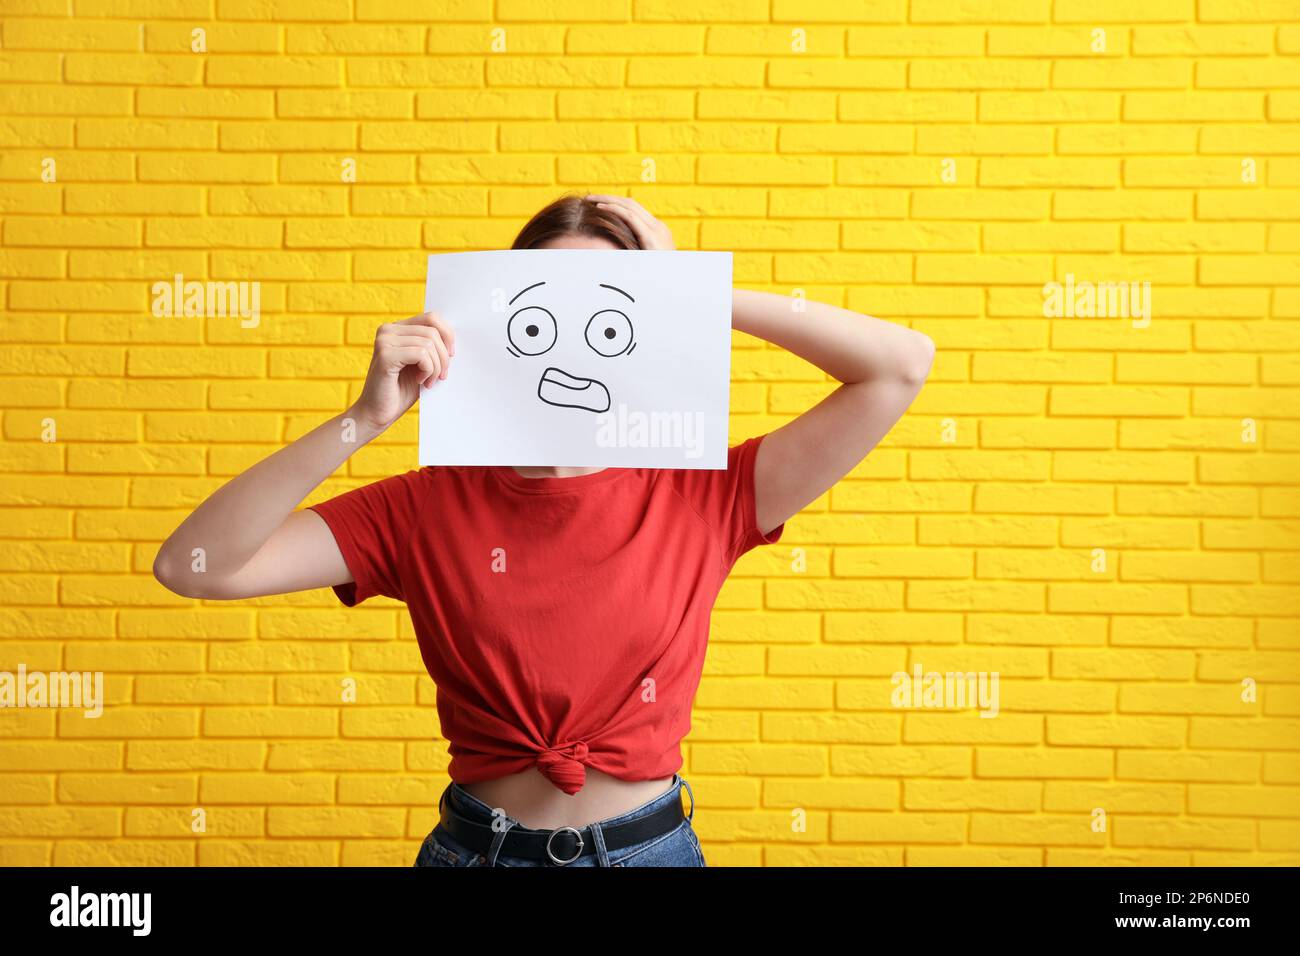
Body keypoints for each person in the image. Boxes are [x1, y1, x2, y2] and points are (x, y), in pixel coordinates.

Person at [153, 193, 936, 867]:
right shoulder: (424, 506)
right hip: (477, 850)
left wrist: (695, 293)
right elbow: (198, 566)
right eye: (545, 308)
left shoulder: (706, 492)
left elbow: (900, 364)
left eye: (606, 307)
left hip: (648, 851)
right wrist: (363, 421)